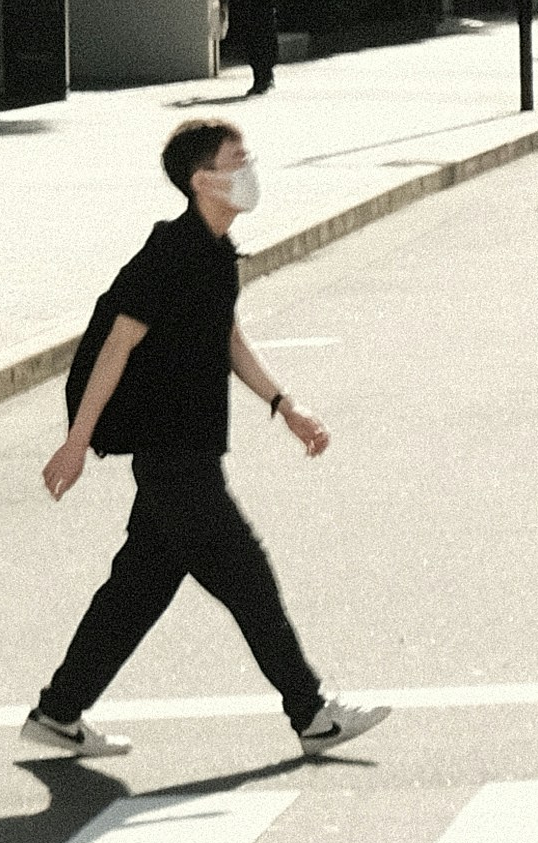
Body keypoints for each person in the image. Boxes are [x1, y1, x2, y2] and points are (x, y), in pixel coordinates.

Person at [31, 123, 383, 758]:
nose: (249, 170)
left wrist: (285, 405)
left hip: (187, 452)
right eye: (236, 161)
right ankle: (312, 713)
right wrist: (75, 442)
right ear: (202, 182)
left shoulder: (218, 254)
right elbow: (116, 346)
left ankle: (59, 710)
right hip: (173, 459)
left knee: (135, 593)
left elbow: (227, 340)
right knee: (249, 580)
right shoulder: (168, 255)